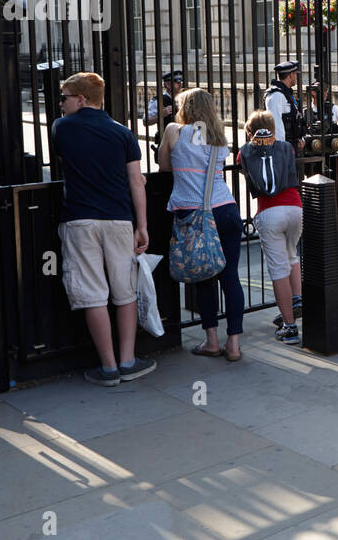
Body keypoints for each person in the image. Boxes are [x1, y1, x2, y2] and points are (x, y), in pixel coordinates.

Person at [50, 72, 154, 386]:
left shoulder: (61, 128)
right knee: (125, 290)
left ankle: (108, 368)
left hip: (80, 219)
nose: (61, 103)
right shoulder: (123, 133)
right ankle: (128, 360)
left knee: (92, 293)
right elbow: (137, 181)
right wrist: (143, 225)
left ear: (81, 100)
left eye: (65, 97)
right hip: (119, 219)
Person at [159, 88, 245, 362]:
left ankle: (211, 341)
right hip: (226, 210)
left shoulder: (174, 131)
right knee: (230, 277)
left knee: (203, 277)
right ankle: (233, 345)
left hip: (194, 215)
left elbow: (163, 166)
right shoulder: (219, 138)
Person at [238, 111, 302, 344]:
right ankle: (297, 299)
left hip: (269, 212)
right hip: (295, 209)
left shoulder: (245, 151)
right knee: (292, 255)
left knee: (278, 270)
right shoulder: (286, 147)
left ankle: (290, 327)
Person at [265, 60, 304, 151]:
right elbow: (276, 124)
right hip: (283, 147)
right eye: (295, 74)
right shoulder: (276, 95)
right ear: (290, 75)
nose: (296, 77)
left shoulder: (285, 93)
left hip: (291, 145)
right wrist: (281, 149)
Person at [143, 70, 184, 138]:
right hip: (168, 140)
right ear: (167, 85)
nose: (180, 84)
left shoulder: (185, 98)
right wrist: (162, 114)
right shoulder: (159, 100)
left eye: (180, 82)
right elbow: (146, 121)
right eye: (177, 82)